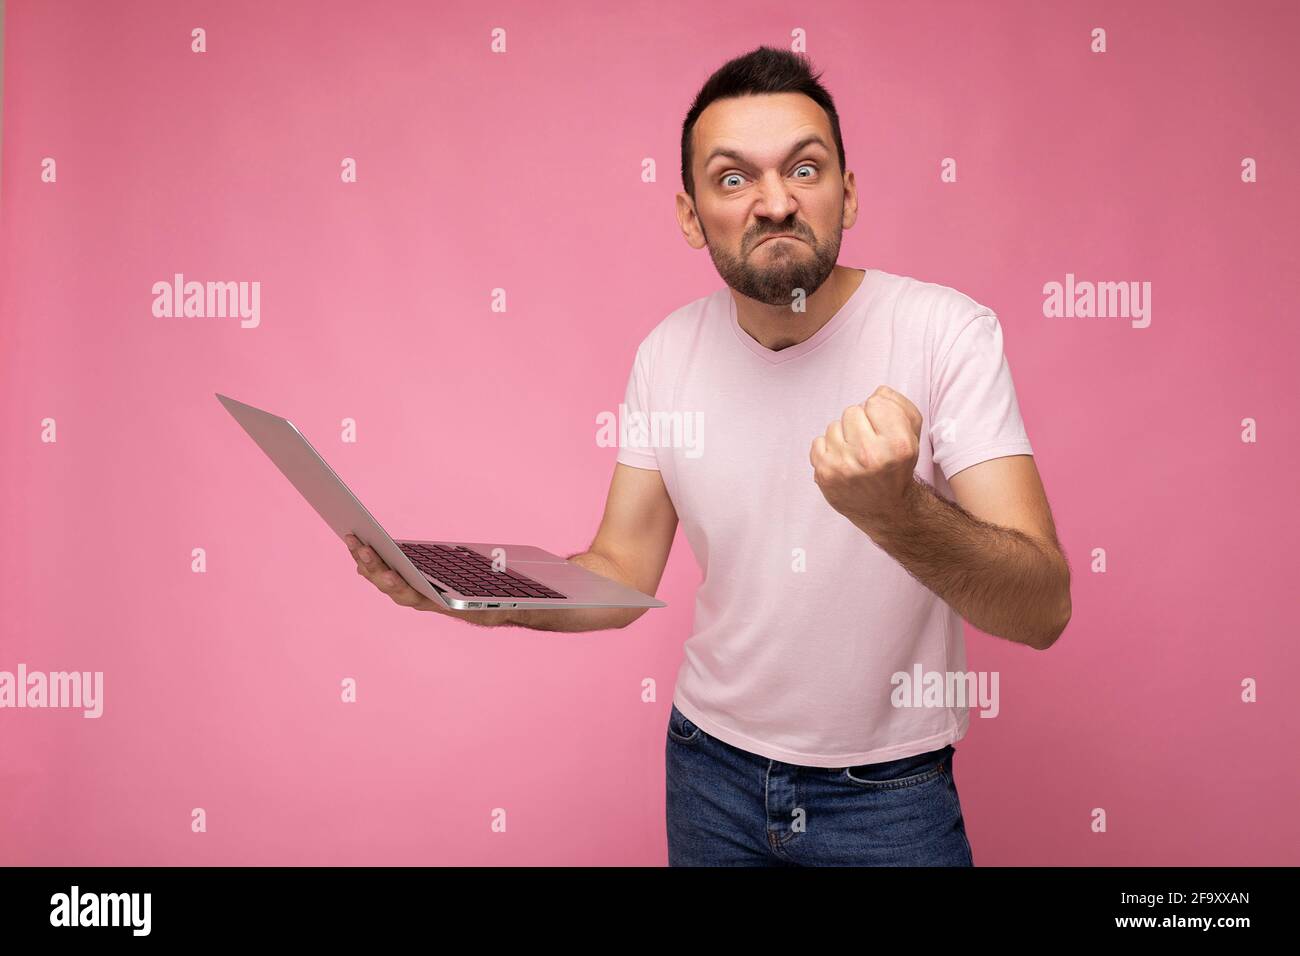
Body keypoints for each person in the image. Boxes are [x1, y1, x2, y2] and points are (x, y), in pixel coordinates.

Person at [345, 45, 1071, 866]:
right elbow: (620, 572)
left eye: (805, 169)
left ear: (849, 194)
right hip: (709, 771)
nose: (774, 203)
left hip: (887, 796)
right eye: (732, 179)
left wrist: (896, 511)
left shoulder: (947, 334)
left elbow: (1041, 608)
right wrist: (466, 591)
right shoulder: (667, 353)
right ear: (691, 216)